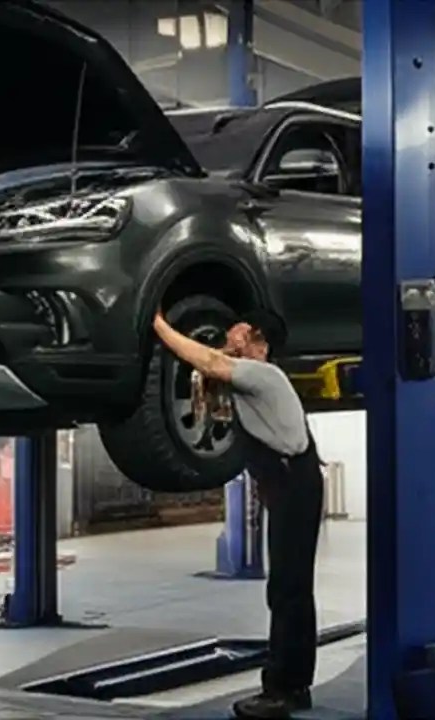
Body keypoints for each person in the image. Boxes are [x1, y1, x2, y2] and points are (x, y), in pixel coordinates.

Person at [152, 307, 324, 719]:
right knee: (288, 587)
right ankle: (290, 683)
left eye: (237, 326)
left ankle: (285, 689)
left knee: (289, 589)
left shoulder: (263, 374)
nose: (229, 331)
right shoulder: (253, 380)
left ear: (252, 337)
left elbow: (210, 362)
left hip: (296, 484)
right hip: (288, 484)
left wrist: (157, 324)